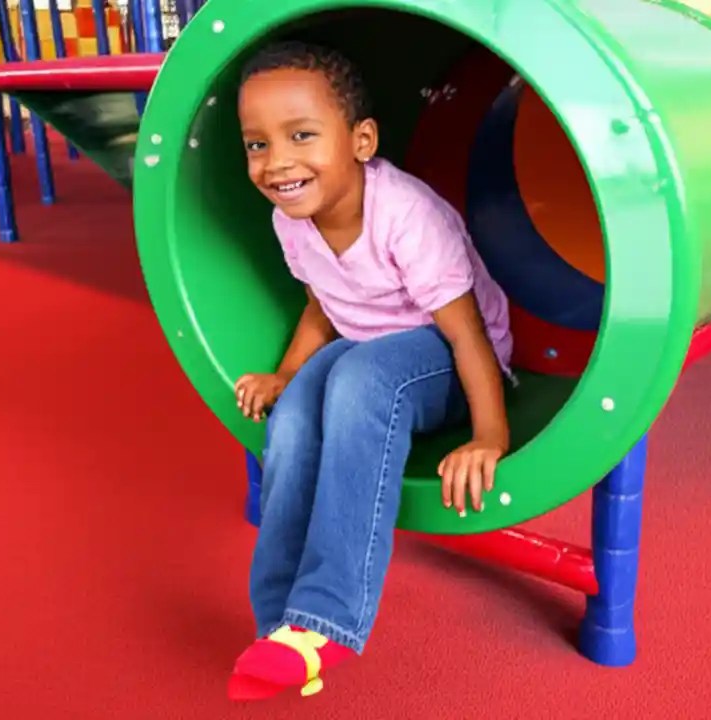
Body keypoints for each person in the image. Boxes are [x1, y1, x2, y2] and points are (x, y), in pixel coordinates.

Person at [228, 40, 515, 701]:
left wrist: (489, 433)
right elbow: (323, 307)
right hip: (363, 341)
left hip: (439, 351)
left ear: (361, 140)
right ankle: (279, 623)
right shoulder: (289, 218)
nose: (277, 162)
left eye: (301, 135)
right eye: (257, 145)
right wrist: (285, 374)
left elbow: (466, 334)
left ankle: (327, 617)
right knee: (295, 418)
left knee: (362, 382)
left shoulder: (405, 215)